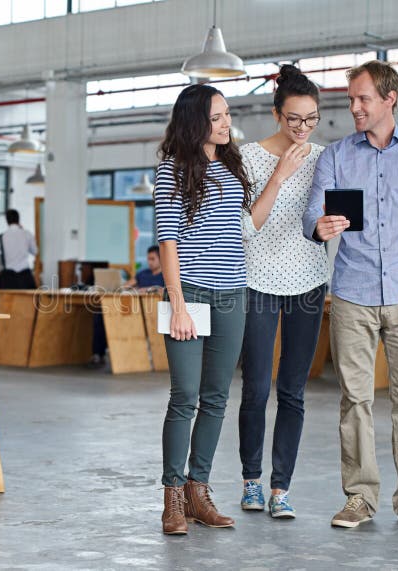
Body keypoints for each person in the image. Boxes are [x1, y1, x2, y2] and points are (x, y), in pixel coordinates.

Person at [303, 60, 398, 531]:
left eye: (363, 98)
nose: (354, 108)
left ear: (390, 99)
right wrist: (318, 226)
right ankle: (359, 497)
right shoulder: (337, 155)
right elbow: (313, 212)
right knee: (355, 399)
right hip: (352, 293)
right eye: (350, 99)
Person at [155, 83, 250, 535]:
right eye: (217, 117)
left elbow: (243, 227)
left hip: (233, 293)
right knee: (185, 397)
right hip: (189, 292)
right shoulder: (172, 169)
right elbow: (168, 238)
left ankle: (199, 492)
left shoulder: (232, 166)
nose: (226, 123)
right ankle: (172, 497)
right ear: (196, 123)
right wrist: (177, 304)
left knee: (216, 398)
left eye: (227, 114)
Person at [238, 64, 329, 519]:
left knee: (293, 390)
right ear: (277, 114)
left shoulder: (324, 156)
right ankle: (251, 481)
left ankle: (280, 489)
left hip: (309, 283)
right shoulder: (248, 156)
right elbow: (246, 227)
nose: (303, 128)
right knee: (256, 387)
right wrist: (280, 173)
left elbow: (326, 220)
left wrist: (332, 226)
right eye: (294, 119)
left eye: (311, 119)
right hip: (257, 282)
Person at [0, 209, 38, 289]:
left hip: (8, 278)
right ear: (18, 219)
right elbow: (35, 251)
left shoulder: (1, 237)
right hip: (25, 277)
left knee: (7, 301)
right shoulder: (27, 234)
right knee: (28, 300)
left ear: (7, 221)